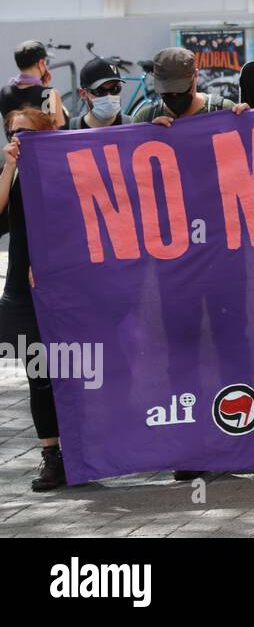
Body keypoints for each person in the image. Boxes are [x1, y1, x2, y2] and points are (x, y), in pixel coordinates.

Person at [0, 108, 64, 490]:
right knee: (39, 376)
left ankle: (92, 449)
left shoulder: (68, 173)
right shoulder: (17, 176)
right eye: (11, 132)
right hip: (25, 295)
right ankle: (52, 458)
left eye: (25, 132)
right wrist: (7, 168)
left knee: (82, 371)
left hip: (68, 289)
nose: (17, 139)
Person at [132, 48, 251, 123]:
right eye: (167, 91)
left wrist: (248, 121)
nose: (174, 96)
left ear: (196, 75)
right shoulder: (145, 118)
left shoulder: (222, 110)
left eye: (180, 90)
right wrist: (149, 135)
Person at [0, 41, 65, 128]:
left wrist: (43, 89)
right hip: (42, 142)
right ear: (41, 63)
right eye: (46, 62)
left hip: (15, 141)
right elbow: (60, 131)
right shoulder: (50, 94)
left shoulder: (4, 92)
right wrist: (47, 90)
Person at [67, 57, 127, 129]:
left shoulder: (133, 127)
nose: (109, 96)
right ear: (83, 94)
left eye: (115, 89)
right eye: (100, 91)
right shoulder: (70, 131)